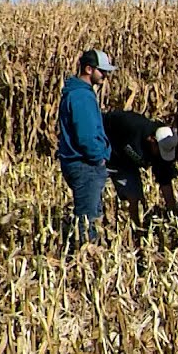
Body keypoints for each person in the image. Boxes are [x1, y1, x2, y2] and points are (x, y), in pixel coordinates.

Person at [56, 49, 115, 250]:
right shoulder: (81, 96)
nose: (105, 75)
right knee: (88, 218)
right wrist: (99, 157)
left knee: (90, 214)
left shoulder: (78, 93)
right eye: (102, 71)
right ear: (89, 69)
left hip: (80, 163)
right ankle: (85, 256)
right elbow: (86, 135)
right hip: (85, 164)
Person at [102, 110, 178, 225]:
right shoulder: (131, 124)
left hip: (126, 166)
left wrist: (172, 212)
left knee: (135, 200)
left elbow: (165, 180)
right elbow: (102, 122)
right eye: (160, 150)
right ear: (152, 140)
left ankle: (134, 232)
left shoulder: (163, 150)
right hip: (104, 158)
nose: (161, 154)